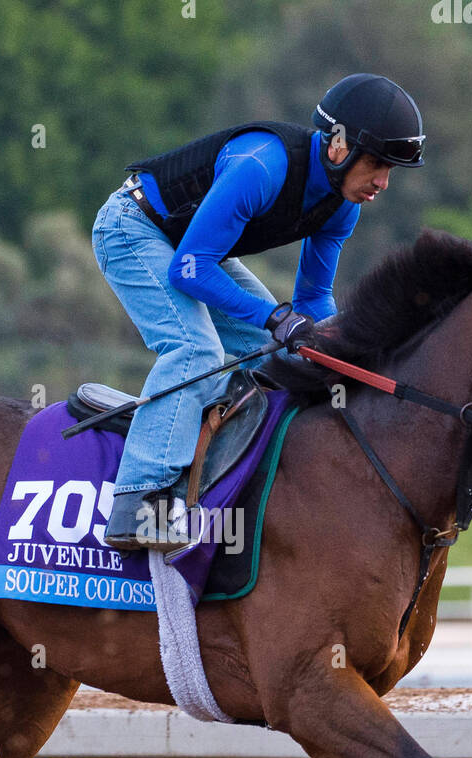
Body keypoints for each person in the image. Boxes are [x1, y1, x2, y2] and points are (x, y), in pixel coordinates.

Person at [91, 73, 425, 551]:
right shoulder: (262, 166)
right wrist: (275, 318)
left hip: (202, 251)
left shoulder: (343, 207)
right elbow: (188, 270)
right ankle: (137, 501)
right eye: (376, 164)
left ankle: (218, 469)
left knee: (279, 357)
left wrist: (339, 347)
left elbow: (312, 304)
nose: (382, 183)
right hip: (134, 227)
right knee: (195, 349)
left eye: (391, 169)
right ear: (338, 146)